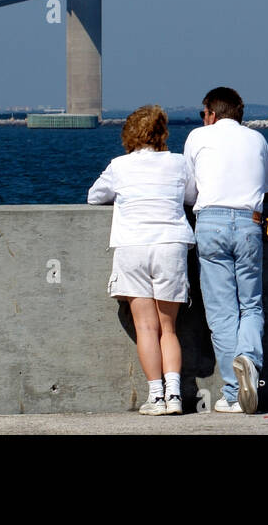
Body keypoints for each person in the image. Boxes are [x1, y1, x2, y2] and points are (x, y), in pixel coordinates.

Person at [88, 105, 197, 416]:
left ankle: (156, 397)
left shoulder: (119, 166)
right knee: (169, 328)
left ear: (129, 133)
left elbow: (94, 196)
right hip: (170, 245)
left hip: (132, 246)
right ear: (162, 132)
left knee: (146, 328)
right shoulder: (179, 163)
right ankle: (175, 396)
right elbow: (192, 197)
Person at [183, 86, 268, 414]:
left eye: (202, 114)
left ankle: (234, 394)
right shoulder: (257, 140)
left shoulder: (196, 137)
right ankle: (249, 360)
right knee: (250, 305)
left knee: (222, 314)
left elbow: (190, 192)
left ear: (211, 112)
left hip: (210, 223)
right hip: (249, 222)